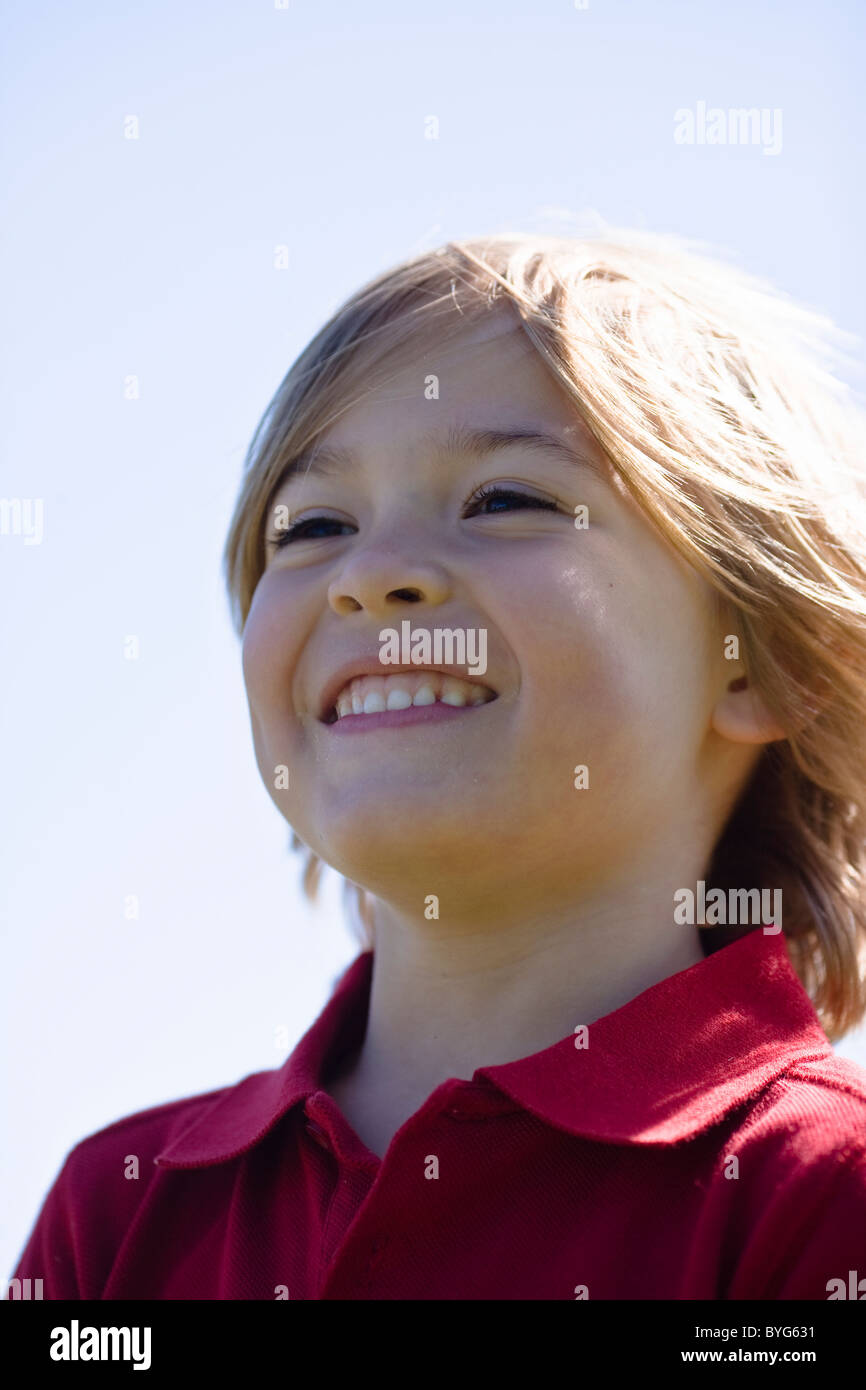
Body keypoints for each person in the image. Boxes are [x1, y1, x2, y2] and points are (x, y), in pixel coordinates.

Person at [10, 229, 866, 1299]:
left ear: (767, 664)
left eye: (505, 499)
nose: (371, 577)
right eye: (313, 524)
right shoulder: (118, 1216)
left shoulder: (822, 1193)